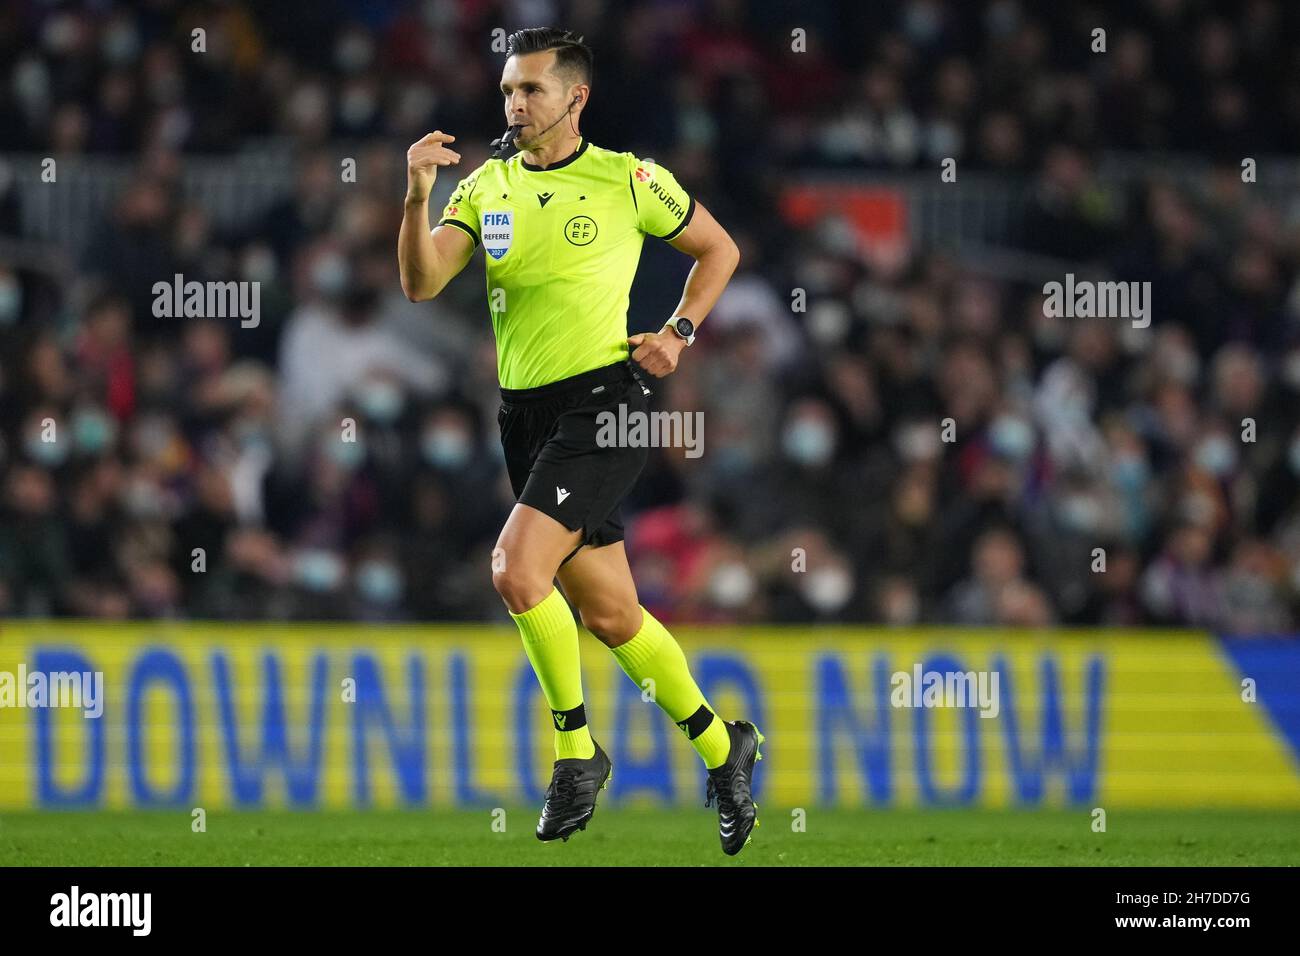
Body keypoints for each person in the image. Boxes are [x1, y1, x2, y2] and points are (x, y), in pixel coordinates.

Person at [397, 27, 762, 855]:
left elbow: (719, 249)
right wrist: (417, 194)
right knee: (610, 613)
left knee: (515, 572)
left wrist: (679, 330)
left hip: (605, 401)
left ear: (576, 98)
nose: (515, 105)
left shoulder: (625, 178)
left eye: (530, 90)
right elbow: (420, 283)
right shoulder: (484, 187)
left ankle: (575, 753)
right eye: (506, 92)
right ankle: (722, 745)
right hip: (522, 416)